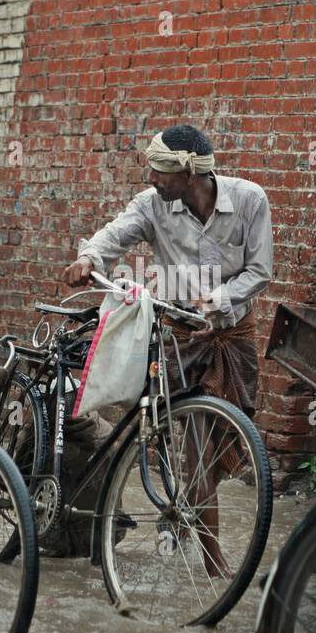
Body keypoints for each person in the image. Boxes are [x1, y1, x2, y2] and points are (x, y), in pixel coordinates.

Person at [62, 124, 273, 575]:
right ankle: (216, 567)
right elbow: (115, 234)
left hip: (232, 339)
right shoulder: (152, 206)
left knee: (219, 445)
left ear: (189, 172)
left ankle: (182, 509)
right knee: (197, 442)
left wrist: (215, 301)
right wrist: (89, 258)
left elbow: (259, 271)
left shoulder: (250, 201)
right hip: (180, 337)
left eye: (160, 170)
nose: (152, 178)